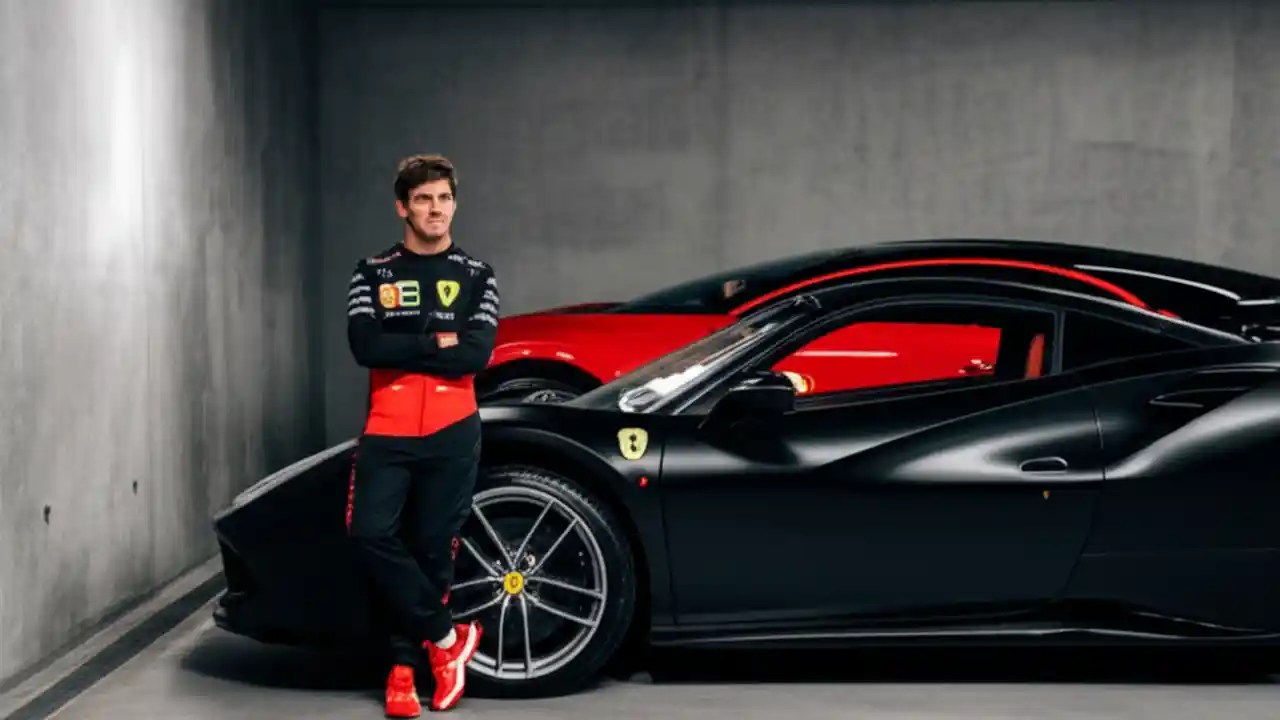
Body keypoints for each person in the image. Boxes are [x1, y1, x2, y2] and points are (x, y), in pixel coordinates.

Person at [344, 154, 500, 715]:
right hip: (386, 429)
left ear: (454, 203)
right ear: (402, 207)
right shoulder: (372, 271)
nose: (435, 209)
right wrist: (438, 342)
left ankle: (404, 671)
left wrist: (409, 342)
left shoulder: (478, 274)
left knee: (432, 551)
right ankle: (448, 639)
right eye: (424, 199)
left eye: (443, 198)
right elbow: (366, 348)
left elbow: (476, 357)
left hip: (453, 430)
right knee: (370, 537)